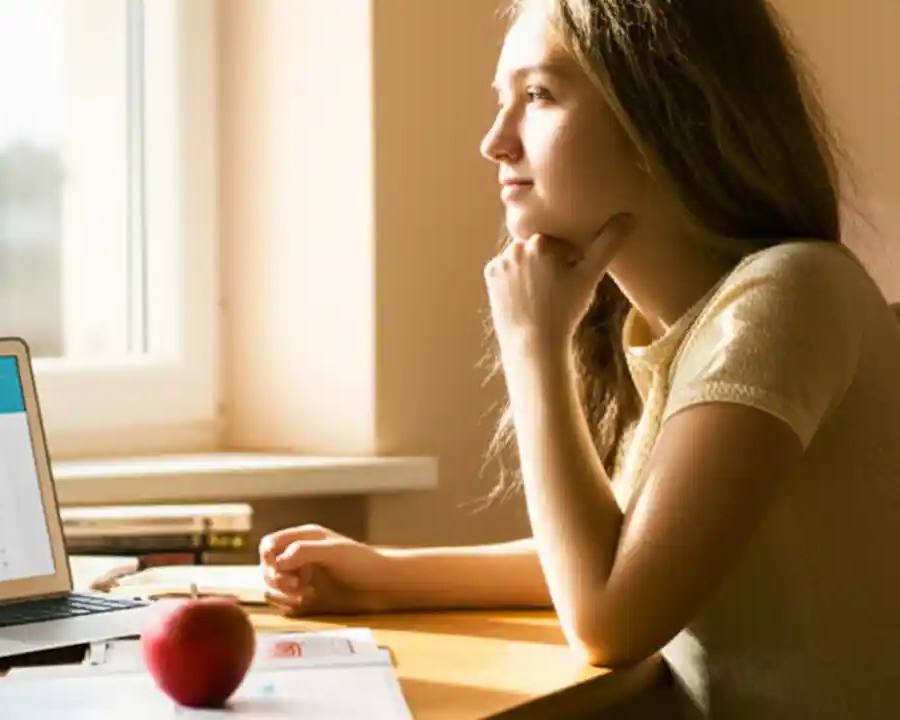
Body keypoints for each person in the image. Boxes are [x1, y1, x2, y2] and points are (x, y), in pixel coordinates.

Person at [258, 0, 900, 716]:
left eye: (536, 97)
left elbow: (611, 621)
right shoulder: (673, 326)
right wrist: (383, 576)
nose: (494, 142)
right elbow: (630, 560)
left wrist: (533, 348)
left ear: (666, 112)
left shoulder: (789, 295)